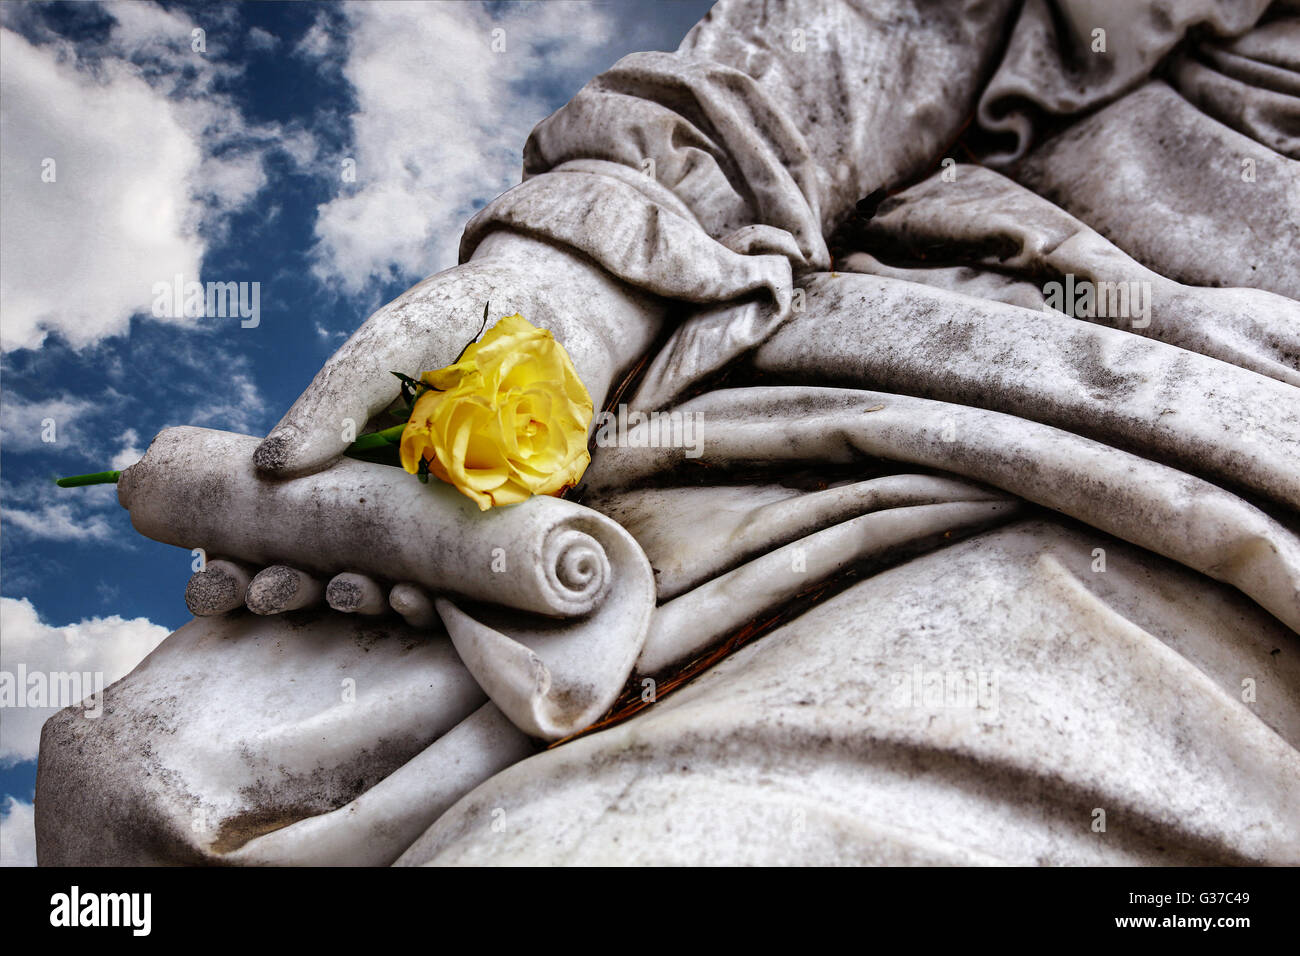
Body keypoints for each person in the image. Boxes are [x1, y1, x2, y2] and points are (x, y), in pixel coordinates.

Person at [37, 0, 1300, 865]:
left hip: (1213, 487)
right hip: (880, 350)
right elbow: (890, 30)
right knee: (142, 777)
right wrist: (583, 262)